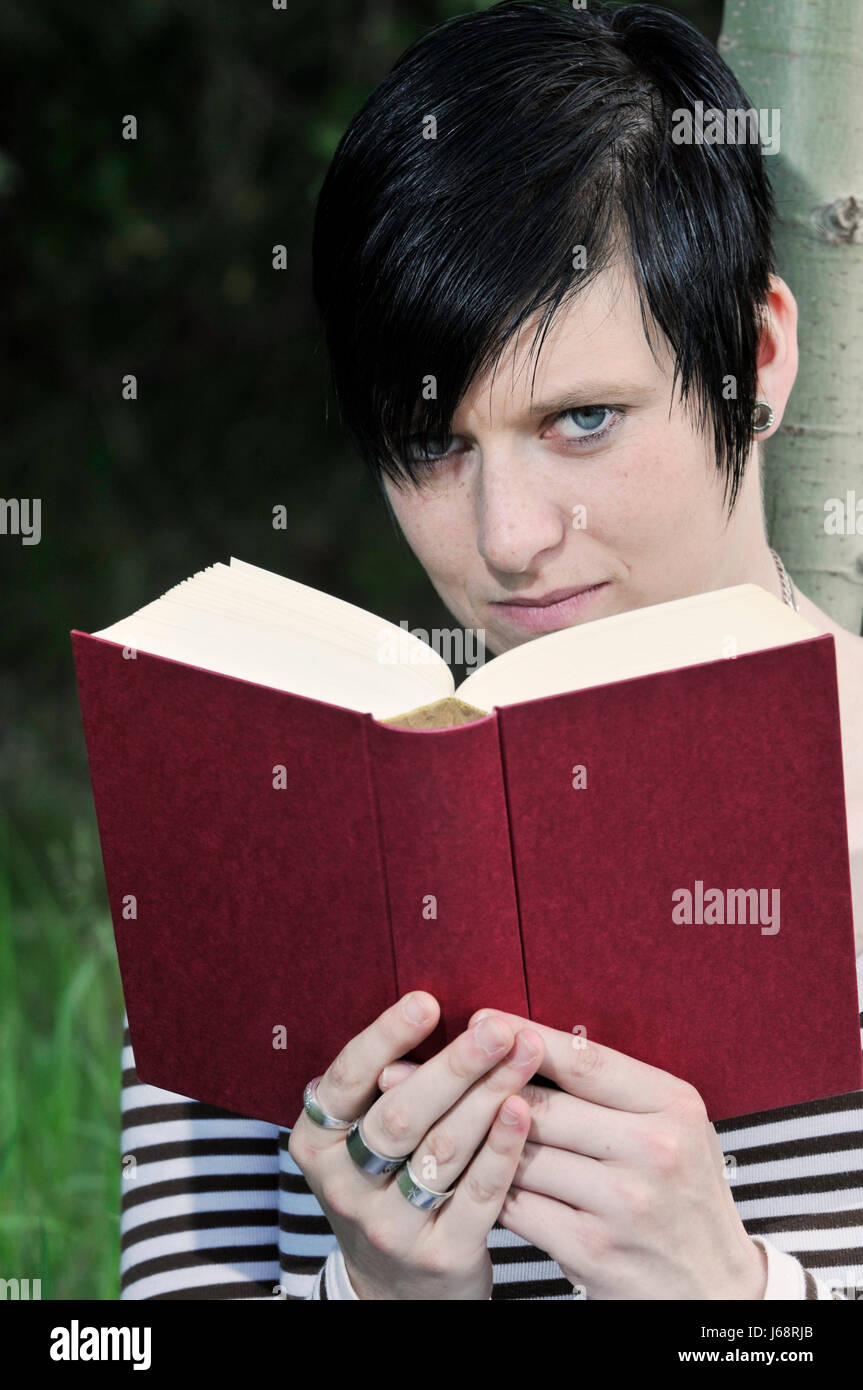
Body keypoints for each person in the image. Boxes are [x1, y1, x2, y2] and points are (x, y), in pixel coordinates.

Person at [119, 0, 863, 1300]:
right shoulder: (276, 843)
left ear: (755, 357)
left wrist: (732, 1299)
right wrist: (388, 1292)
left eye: (581, 420)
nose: (508, 540)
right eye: (433, 445)